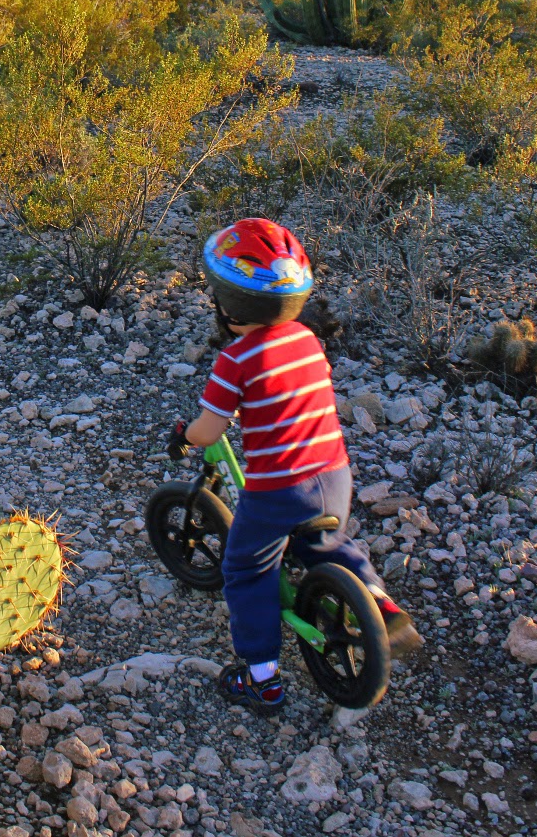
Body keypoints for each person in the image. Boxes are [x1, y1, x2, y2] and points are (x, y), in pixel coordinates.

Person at [168, 218, 422, 717]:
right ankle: (377, 601)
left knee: (244, 567)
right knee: (326, 542)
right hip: (333, 477)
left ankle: (260, 677)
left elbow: (208, 431)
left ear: (228, 302)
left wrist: (185, 436)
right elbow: (290, 393)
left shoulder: (234, 360)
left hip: (278, 491)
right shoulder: (306, 339)